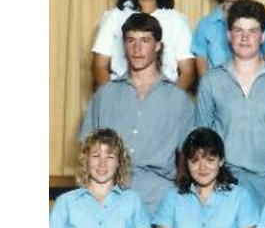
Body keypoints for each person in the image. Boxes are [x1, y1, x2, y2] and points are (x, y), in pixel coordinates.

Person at [81, 13, 194, 215]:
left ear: (157, 46)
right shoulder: (105, 95)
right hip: (108, 199)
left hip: (157, 202)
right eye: (131, 40)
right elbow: (86, 152)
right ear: (123, 46)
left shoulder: (179, 100)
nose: (137, 48)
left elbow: (190, 160)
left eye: (145, 40)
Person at [195, 0, 265, 207]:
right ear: (228, 35)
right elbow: (202, 140)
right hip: (225, 183)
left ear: (264, 36)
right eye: (238, 30)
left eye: (252, 31)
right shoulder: (212, 79)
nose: (244, 37)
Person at [90, 0, 196, 92]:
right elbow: (99, 66)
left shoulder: (177, 20)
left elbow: (188, 71)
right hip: (121, 97)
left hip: (165, 98)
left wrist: (170, 102)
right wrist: (112, 100)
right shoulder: (114, 17)